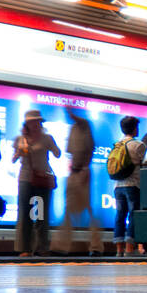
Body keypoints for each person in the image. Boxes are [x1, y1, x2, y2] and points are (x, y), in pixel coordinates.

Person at [12, 109, 60, 256]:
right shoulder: (20, 138)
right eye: (31, 121)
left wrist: (53, 147)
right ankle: (25, 248)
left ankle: (42, 247)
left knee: (41, 214)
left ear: (40, 122)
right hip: (25, 178)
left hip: (42, 178)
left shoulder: (47, 138)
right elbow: (13, 160)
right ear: (26, 123)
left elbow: (57, 154)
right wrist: (19, 152)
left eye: (37, 121)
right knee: (25, 213)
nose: (34, 124)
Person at [56, 108, 102, 256]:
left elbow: (88, 150)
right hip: (74, 172)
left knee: (88, 209)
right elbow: (70, 153)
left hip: (83, 171)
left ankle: (96, 246)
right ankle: (61, 245)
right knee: (69, 209)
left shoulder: (85, 125)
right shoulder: (73, 129)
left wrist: (83, 169)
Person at [111, 116, 146, 257]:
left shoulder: (117, 144)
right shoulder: (139, 145)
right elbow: (146, 163)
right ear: (134, 128)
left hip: (118, 186)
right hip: (133, 185)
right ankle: (130, 249)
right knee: (133, 216)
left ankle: (119, 250)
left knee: (120, 215)